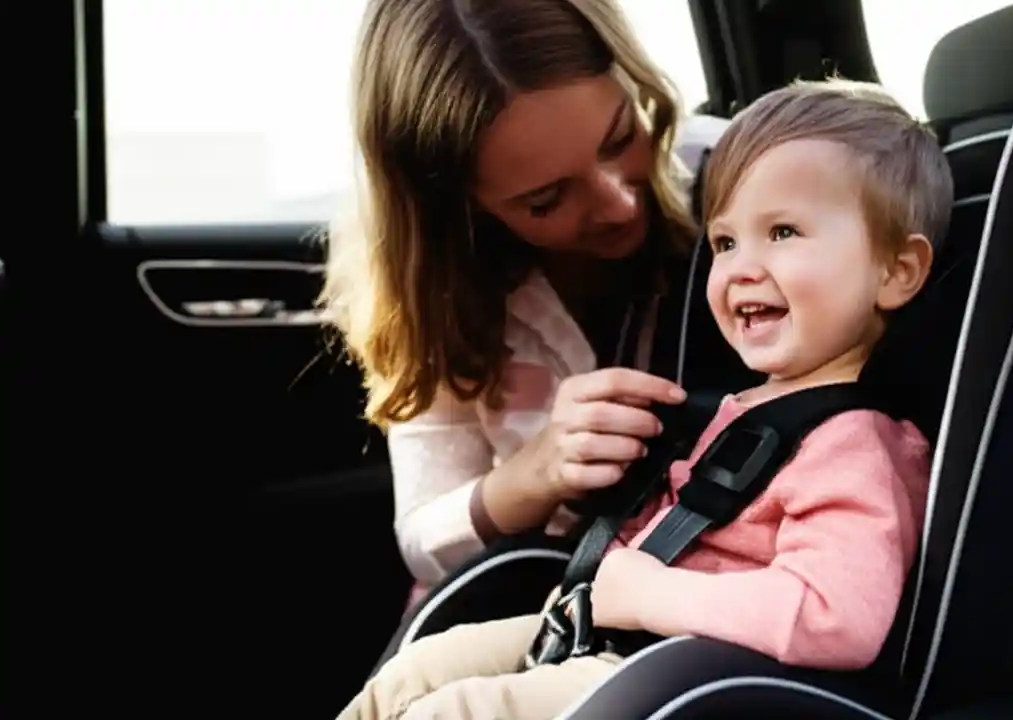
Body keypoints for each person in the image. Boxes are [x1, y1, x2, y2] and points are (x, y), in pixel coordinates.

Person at [335, 77, 956, 720]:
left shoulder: (857, 446)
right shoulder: (739, 410)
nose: (742, 266)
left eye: (784, 232)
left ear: (896, 271)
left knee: (455, 710)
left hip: (681, 672)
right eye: (724, 242)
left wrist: (652, 593)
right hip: (607, 631)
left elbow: (837, 618)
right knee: (411, 676)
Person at [319, 0, 703, 594]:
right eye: (546, 199)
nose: (619, 205)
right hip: (533, 607)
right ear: (461, 209)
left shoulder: (739, 185)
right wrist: (536, 474)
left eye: (622, 136)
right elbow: (423, 542)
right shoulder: (448, 300)